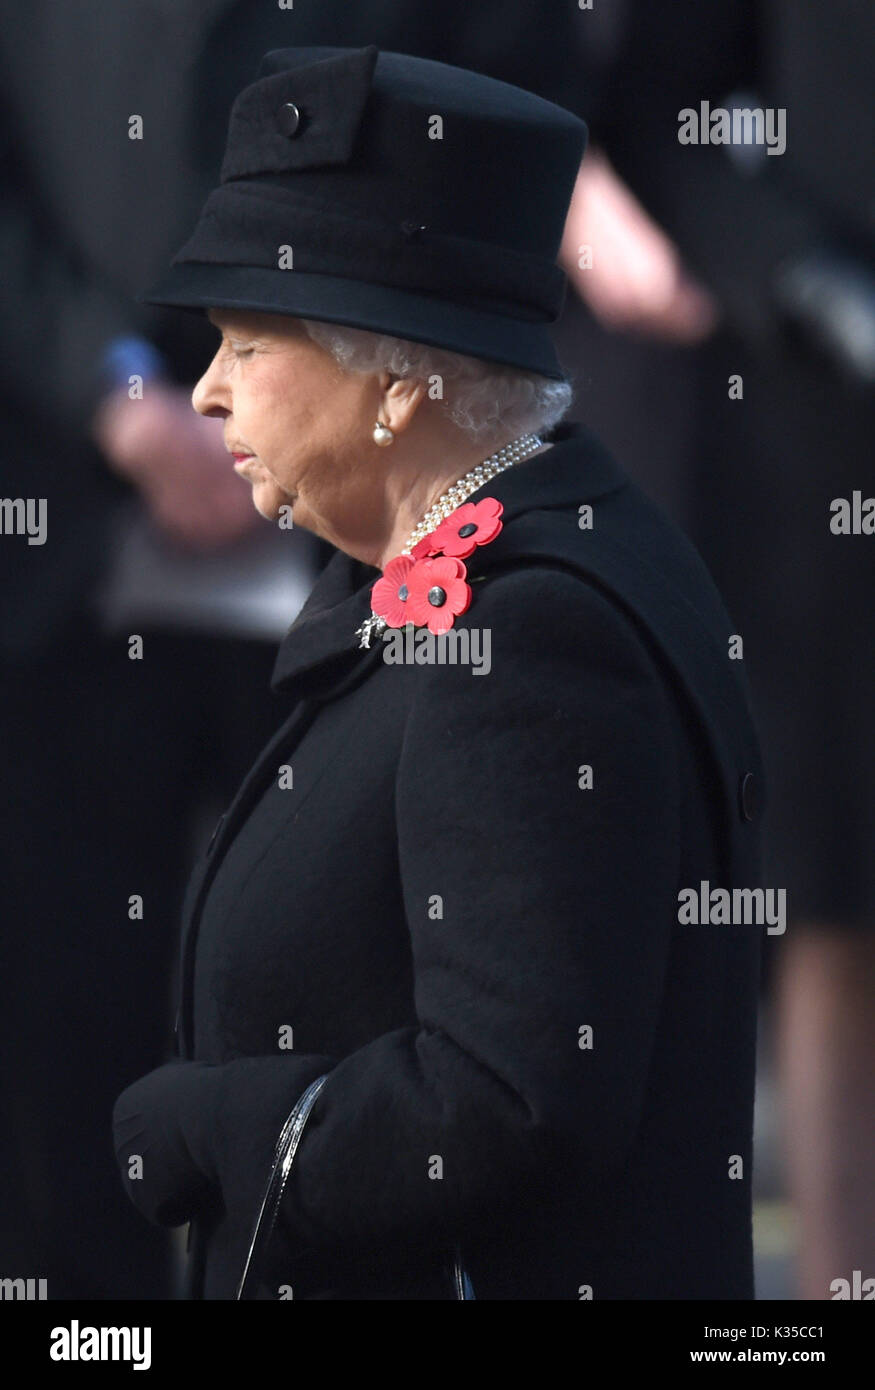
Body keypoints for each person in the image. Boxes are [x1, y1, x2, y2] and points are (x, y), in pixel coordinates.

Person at [112, 45, 763, 1300]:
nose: (202, 391)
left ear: (397, 384)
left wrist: (221, 1130)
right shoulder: (501, 544)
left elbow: (513, 1101)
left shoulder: (528, 636)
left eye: (249, 344)